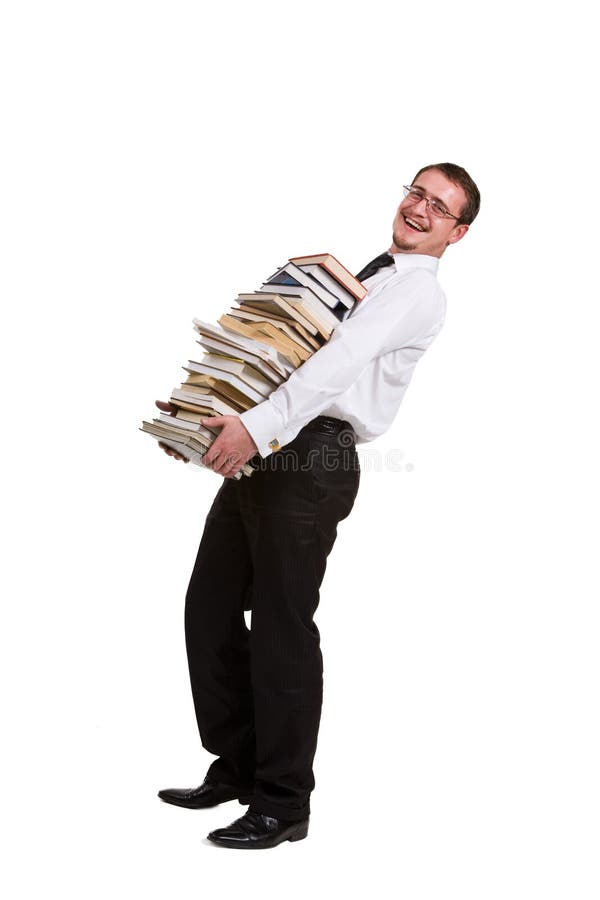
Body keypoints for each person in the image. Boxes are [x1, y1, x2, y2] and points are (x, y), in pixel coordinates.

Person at [155, 162, 480, 849]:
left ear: (459, 231)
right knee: (209, 605)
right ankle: (238, 765)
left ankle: (283, 802)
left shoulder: (418, 293)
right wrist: (205, 418)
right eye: (415, 193)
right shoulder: (373, 274)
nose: (420, 208)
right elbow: (287, 354)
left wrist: (256, 429)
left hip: (314, 456)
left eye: (439, 206)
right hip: (275, 439)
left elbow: (338, 363)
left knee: (281, 626)